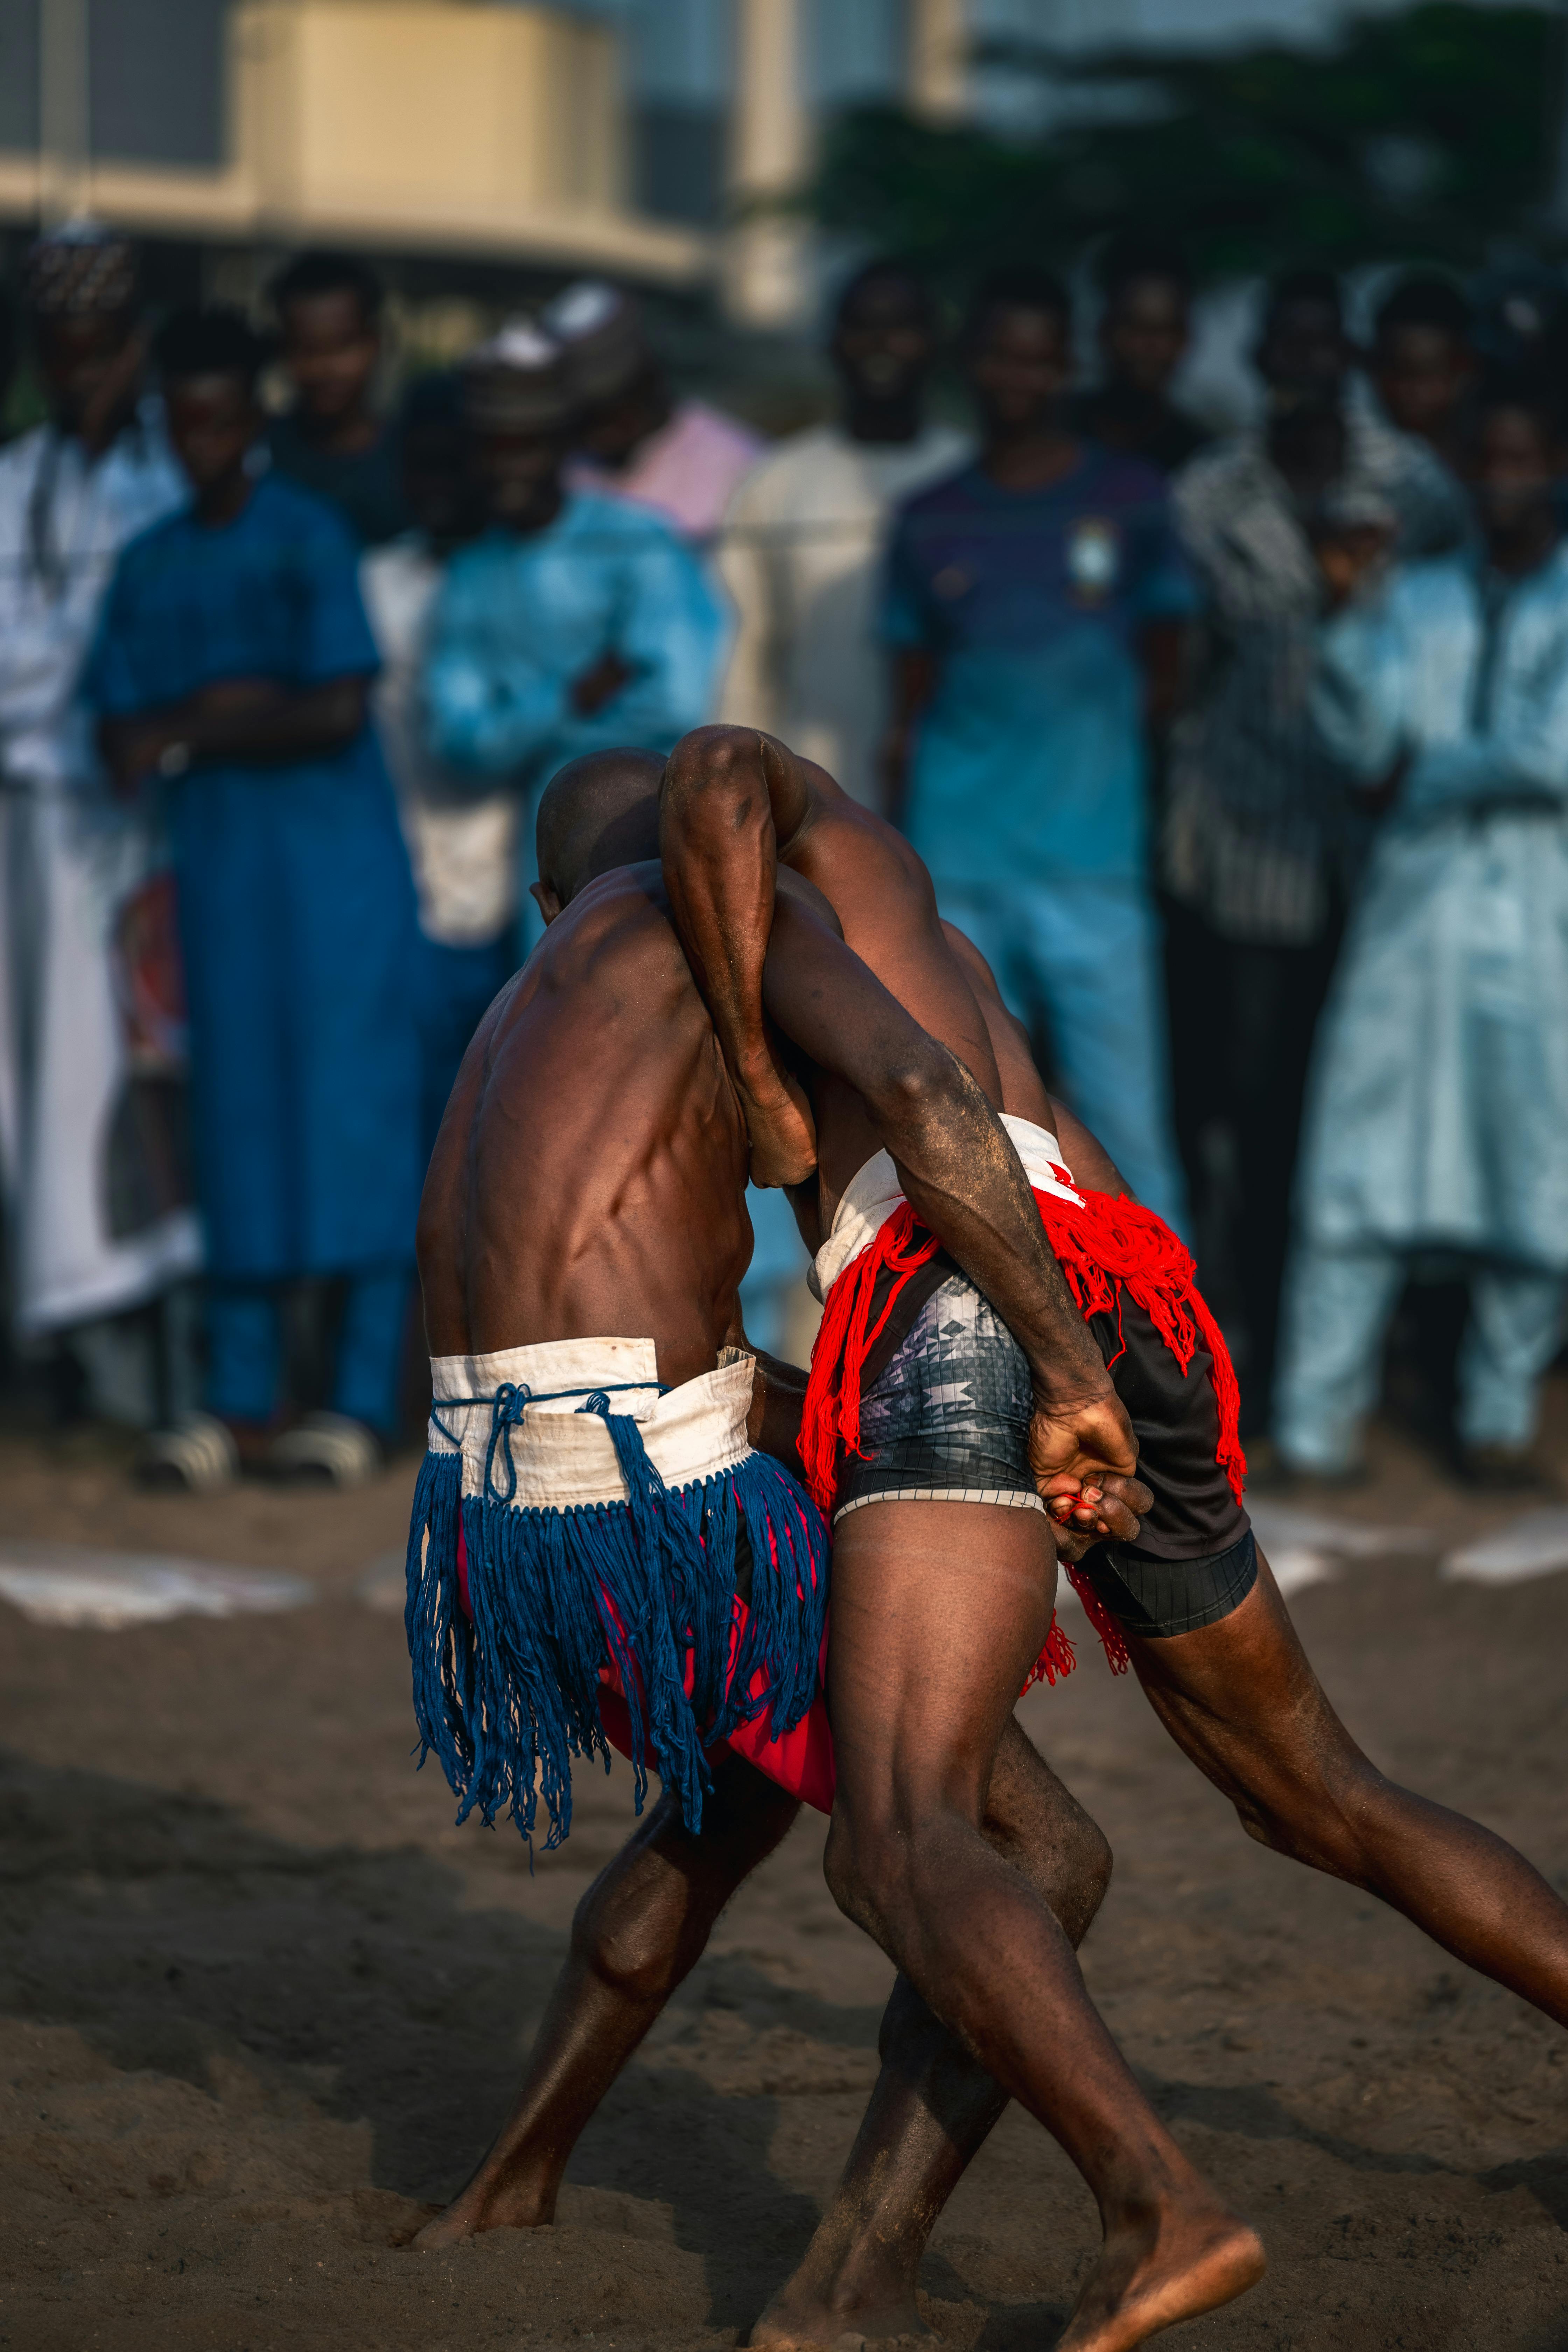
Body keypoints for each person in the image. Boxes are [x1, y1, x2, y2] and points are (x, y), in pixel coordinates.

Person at [648, 720, 1568, 2345]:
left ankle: (1159, 2208)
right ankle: (865, 2274)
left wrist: (750, 1075)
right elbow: (1037, 1146)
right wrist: (1117, 1385)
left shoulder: (741, 874)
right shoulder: (911, 921)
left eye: (566, 895)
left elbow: (720, 768)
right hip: (1117, 1275)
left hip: (967, 1297)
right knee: (1318, 1796)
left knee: (902, 1834)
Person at [406, 747, 1264, 2352]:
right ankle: (1158, 2198)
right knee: (1022, 1848)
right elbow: (936, 1098)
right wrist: (1074, 1380)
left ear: (542, 894)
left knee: (723, 1808)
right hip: (649, 1512)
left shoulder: (520, 1007)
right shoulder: (713, 917)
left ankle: (518, 2181)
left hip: (485, 1528)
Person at [87, 305, 423, 1490]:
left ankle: (352, 1401)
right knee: (235, 1127)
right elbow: (117, 733)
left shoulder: (308, 537)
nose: (205, 443)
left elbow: (332, 705)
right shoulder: (150, 560)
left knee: (356, 1125)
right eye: (185, 423)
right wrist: (224, 716)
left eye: (226, 419)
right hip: (223, 883)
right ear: (165, 428)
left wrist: (191, 722)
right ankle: (234, 1403)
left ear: (257, 421)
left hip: (338, 882)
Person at [1164, 265, 1470, 1438]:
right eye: (1281, 348)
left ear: (1349, 357)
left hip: (1380, 844)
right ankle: (1260, 1346)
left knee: (1372, 1097)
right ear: (1261, 365)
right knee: (1253, 1101)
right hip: (1243, 839)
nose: (1303, 366)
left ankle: (1390, 1352)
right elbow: (1184, 666)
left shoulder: (1418, 487)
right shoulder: (1212, 493)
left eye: (1321, 347)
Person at [1275, 373, 1568, 1488]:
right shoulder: (1416, 592)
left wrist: (1425, 774)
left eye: (1520, 456)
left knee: (1535, 1169)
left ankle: (1494, 1417)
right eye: (1482, 458)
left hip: (1537, 917)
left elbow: (1548, 758)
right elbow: (1360, 750)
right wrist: (1344, 614)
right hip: (1411, 913)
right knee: (1354, 1161)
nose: (1499, 479)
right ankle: (1313, 1425)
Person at [883, 264, 1192, 1230]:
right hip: (964, 865)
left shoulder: (1134, 500)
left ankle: (1175, 1359)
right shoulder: (930, 516)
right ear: (970, 366)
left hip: (1093, 863)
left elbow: (1171, 672)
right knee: (972, 1123)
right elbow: (909, 701)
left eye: (1037, 357)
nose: (1016, 377)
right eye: (999, 356)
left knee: (1127, 1127)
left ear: (1068, 367)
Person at [0, 222, 199, 1427]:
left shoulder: (175, 479)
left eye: (101, 353)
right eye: (61, 355)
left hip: (147, 822)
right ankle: (68, 1346)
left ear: (133, 349)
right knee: (39, 1078)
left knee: (140, 1071)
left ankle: (152, 1356)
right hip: (36, 822)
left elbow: (152, 654)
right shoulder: (15, 478)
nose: (83, 377)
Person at [421, 322, 723, 955]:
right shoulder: (470, 577)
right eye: (493, 448)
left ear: (561, 445)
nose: (509, 467)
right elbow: (459, 739)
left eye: (525, 446)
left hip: (663, 828)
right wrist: (573, 696)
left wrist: (524, 722)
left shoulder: (637, 541)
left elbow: (675, 697)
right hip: (550, 858)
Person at [716, 259, 969, 809]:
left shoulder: (970, 479)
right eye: (862, 327)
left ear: (932, 344)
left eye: (901, 327)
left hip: (950, 807)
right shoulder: (776, 484)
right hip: (812, 808)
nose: (880, 345)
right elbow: (745, 661)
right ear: (833, 343)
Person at [360, 372, 516, 1161]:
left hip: (515, 905)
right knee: (417, 1141)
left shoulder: (525, 579)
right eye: (424, 467)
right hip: (409, 905)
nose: (441, 487)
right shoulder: (375, 587)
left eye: (458, 465)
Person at [542, 278, 762, 551]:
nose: (600, 424)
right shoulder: (559, 474)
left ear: (651, 379)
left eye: (615, 400)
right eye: (583, 408)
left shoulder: (739, 468)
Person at [267, 248, 407, 548]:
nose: (326, 368)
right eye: (307, 349)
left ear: (375, 344)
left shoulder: (412, 464)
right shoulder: (257, 459)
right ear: (283, 351)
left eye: (342, 347)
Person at [1070, 233, 1208, 475]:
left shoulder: (1201, 460)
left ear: (1185, 340)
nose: (1148, 347)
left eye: (1164, 331)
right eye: (1133, 328)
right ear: (1103, 332)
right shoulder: (1054, 433)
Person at [1368, 272, 1476, 474]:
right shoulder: (1358, 461)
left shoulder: (1491, 459)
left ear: (1463, 370)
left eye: (1426, 374)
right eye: (1396, 373)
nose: (1408, 392)